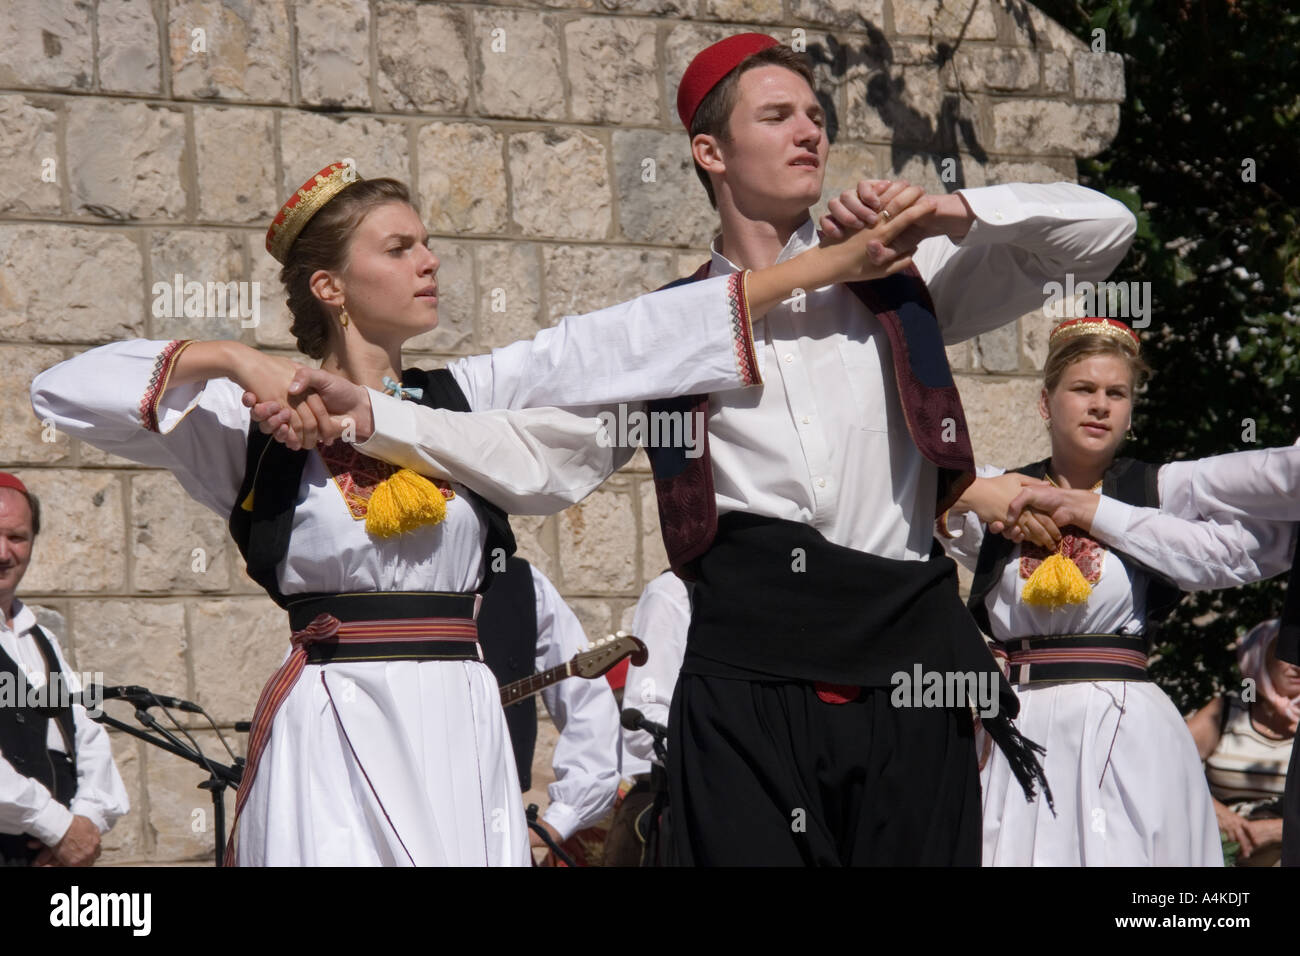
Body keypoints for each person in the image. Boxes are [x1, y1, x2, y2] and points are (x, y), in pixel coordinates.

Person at [255, 37, 1145, 865]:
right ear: (710, 153)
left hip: (909, 669)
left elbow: (1101, 233)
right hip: (748, 676)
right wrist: (374, 416)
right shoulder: (669, 336)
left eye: (816, 117)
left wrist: (950, 210)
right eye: (777, 116)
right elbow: (530, 460)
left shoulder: (905, 277)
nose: (809, 132)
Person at [941, 317, 1296, 865]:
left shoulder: (1162, 490)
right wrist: (973, 494)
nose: (1100, 405)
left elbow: (1273, 511)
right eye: (1083, 389)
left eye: (1117, 393)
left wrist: (1097, 511)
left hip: (1124, 724)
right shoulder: (1003, 494)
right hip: (1019, 724)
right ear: (1045, 402)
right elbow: (902, 484)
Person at [0, 472, 129, 866]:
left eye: (17, 537)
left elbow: (89, 737)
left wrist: (84, 825)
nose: (3, 552)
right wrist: (58, 826)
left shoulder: (42, 641)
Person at [476, 555, 622, 860]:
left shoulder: (518, 580)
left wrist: (561, 818)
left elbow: (587, 703)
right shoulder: (359, 573)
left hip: (494, 830)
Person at [1186, 619, 1298, 866]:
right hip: (1220, 849)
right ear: (1260, 657)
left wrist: (1277, 830)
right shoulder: (1228, 710)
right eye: (1285, 653)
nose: (1296, 665)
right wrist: (1221, 816)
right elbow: (1169, 765)